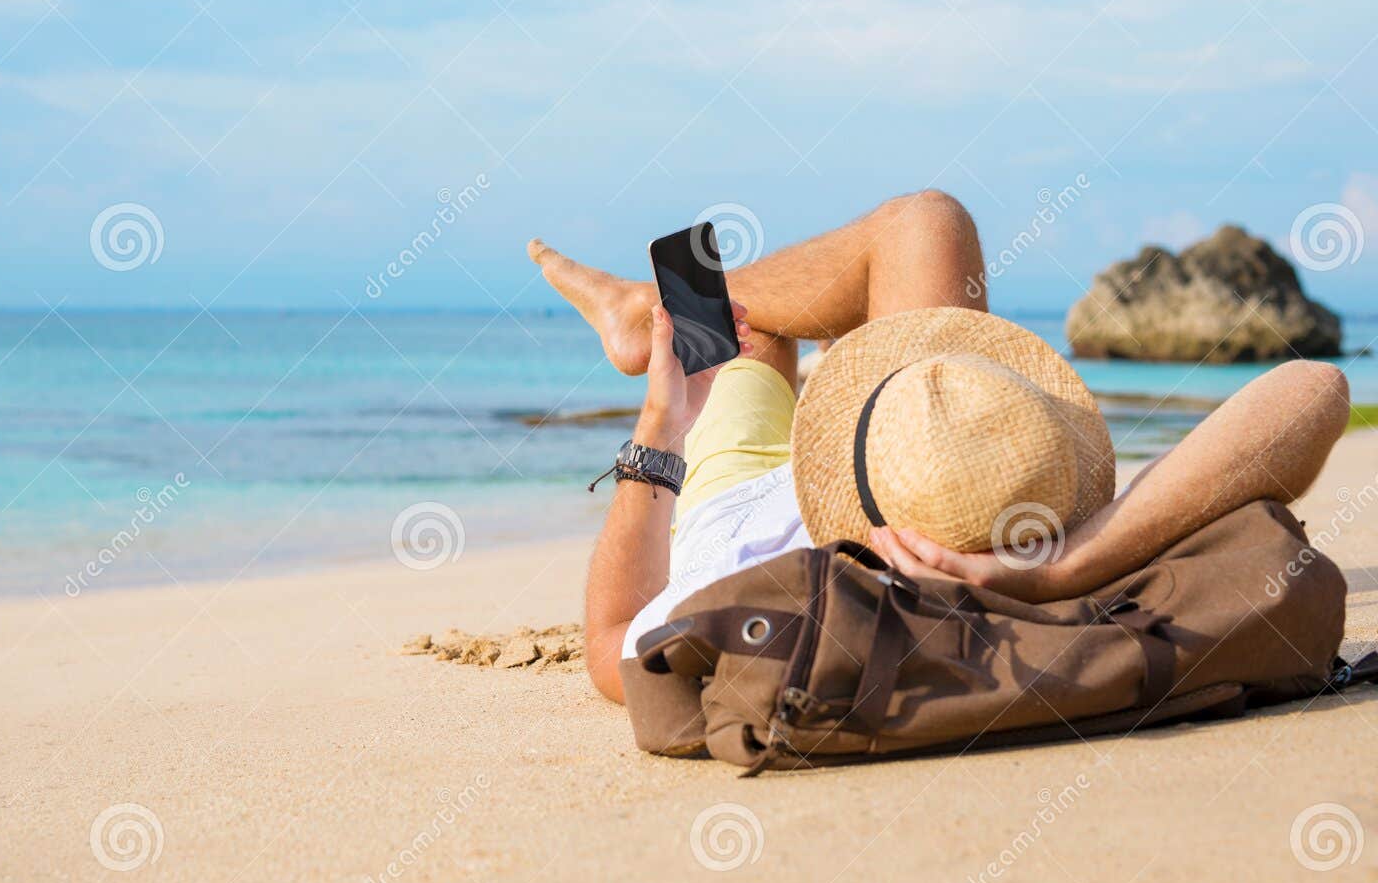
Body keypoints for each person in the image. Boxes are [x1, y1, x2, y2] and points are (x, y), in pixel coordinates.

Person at [529, 190, 1352, 704]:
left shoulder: (749, 600)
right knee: (929, 223)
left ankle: (651, 313)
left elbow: (609, 638)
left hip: (745, 493)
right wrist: (1057, 564)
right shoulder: (1021, 526)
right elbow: (1316, 389)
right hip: (907, 447)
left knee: (753, 346)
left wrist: (659, 424)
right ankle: (654, 307)